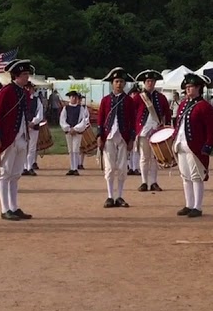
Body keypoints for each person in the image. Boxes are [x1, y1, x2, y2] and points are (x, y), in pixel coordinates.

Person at [0, 59, 36, 220]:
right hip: (9, 138)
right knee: (5, 174)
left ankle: (14, 207)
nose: (27, 77)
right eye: (24, 74)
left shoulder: (24, 93)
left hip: (21, 137)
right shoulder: (6, 91)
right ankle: (5, 209)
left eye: (27, 74)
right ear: (16, 76)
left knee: (15, 174)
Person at [172, 73, 213, 218]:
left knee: (196, 176)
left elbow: (211, 128)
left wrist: (208, 145)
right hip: (181, 144)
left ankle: (198, 207)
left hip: (195, 146)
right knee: (185, 177)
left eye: (191, 87)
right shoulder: (183, 104)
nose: (188, 89)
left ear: (198, 88)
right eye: (187, 87)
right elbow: (178, 124)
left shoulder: (204, 106)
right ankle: (189, 205)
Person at [97, 67, 138, 208]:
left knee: (122, 168)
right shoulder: (105, 100)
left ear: (124, 83)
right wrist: (99, 136)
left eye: (121, 81)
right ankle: (110, 196)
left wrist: (131, 139)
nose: (119, 84)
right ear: (112, 83)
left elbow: (133, 121)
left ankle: (119, 196)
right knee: (109, 168)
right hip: (108, 137)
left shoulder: (129, 101)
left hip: (123, 137)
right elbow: (100, 119)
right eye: (116, 81)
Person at [132, 70, 171, 193]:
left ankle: (154, 182)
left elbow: (167, 113)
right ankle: (144, 182)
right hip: (143, 131)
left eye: (152, 81)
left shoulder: (161, 97)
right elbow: (132, 114)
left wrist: (167, 128)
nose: (150, 83)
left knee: (155, 159)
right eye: (148, 81)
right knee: (144, 157)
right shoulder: (138, 98)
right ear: (144, 83)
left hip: (157, 131)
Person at [59, 90, 90, 175]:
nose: (74, 99)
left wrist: (76, 129)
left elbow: (84, 120)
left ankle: (75, 168)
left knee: (76, 149)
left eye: (75, 97)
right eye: (72, 97)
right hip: (69, 132)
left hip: (77, 132)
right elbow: (62, 119)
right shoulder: (65, 108)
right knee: (70, 150)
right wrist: (68, 128)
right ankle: (72, 167)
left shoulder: (81, 108)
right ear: (69, 98)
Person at [23, 84, 46, 176]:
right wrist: (25, 123)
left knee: (32, 148)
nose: (29, 90)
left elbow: (40, 114)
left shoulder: (37, 100)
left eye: (30, 88)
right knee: (24, 147)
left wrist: (33, 122)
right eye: (27, 88)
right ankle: (24, 167)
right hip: (24, 126)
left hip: (34, 127)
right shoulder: (21, 100)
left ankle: (30, 166)